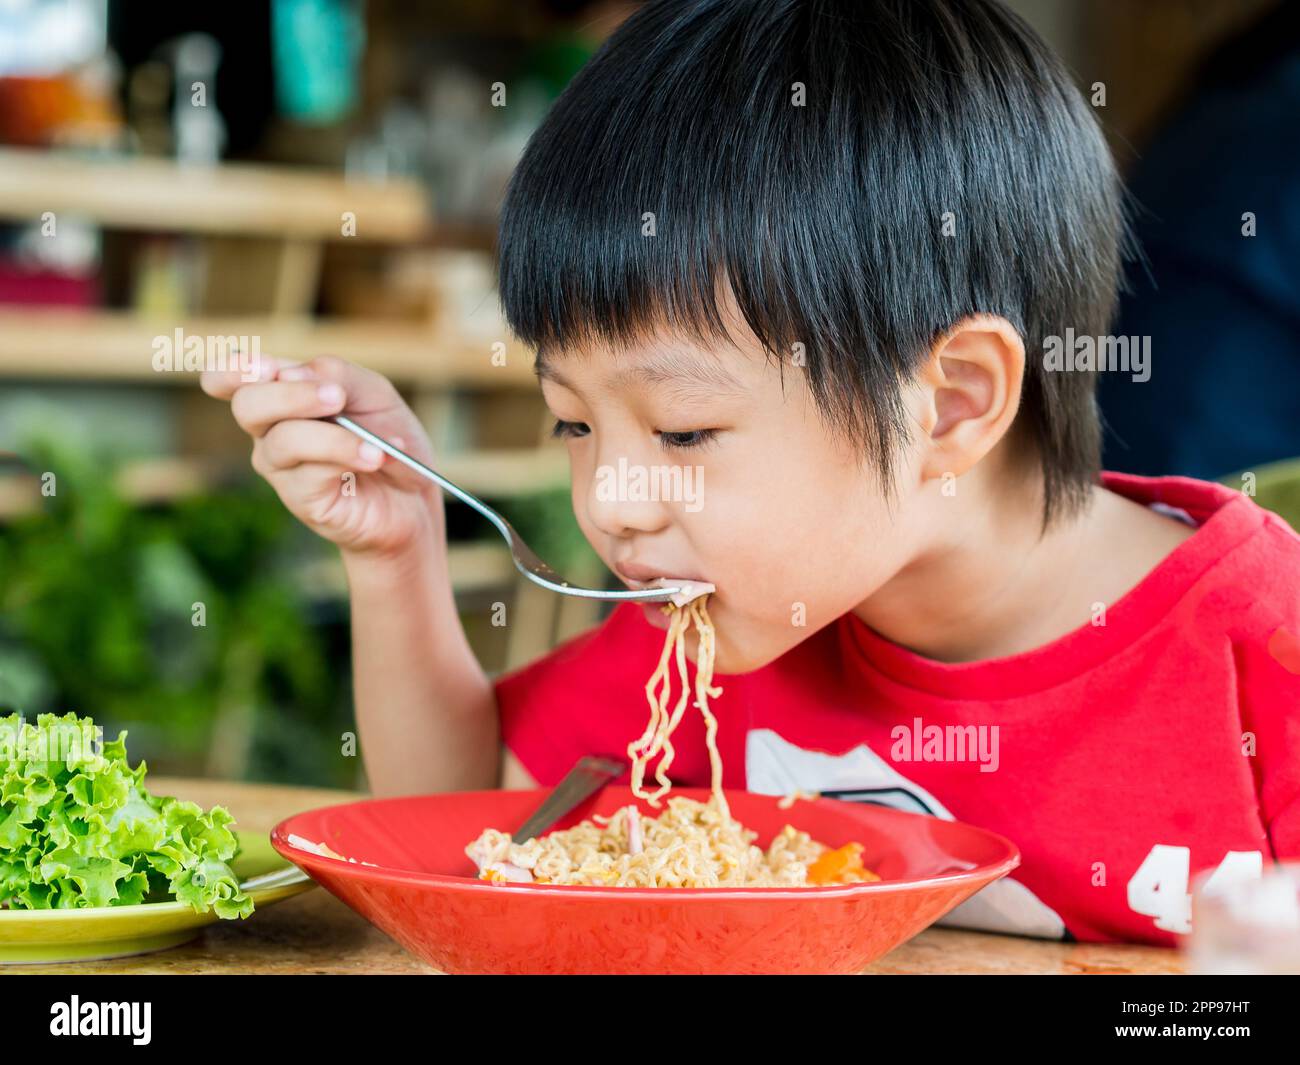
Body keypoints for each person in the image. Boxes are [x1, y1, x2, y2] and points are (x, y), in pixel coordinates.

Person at [201, 0, 1299, 945]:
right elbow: (476, 812)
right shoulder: (721, 633)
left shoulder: (1261, 652)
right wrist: (396, 551)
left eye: (681, 433)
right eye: (571, 424)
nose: (610, 504)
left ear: (952, 402)